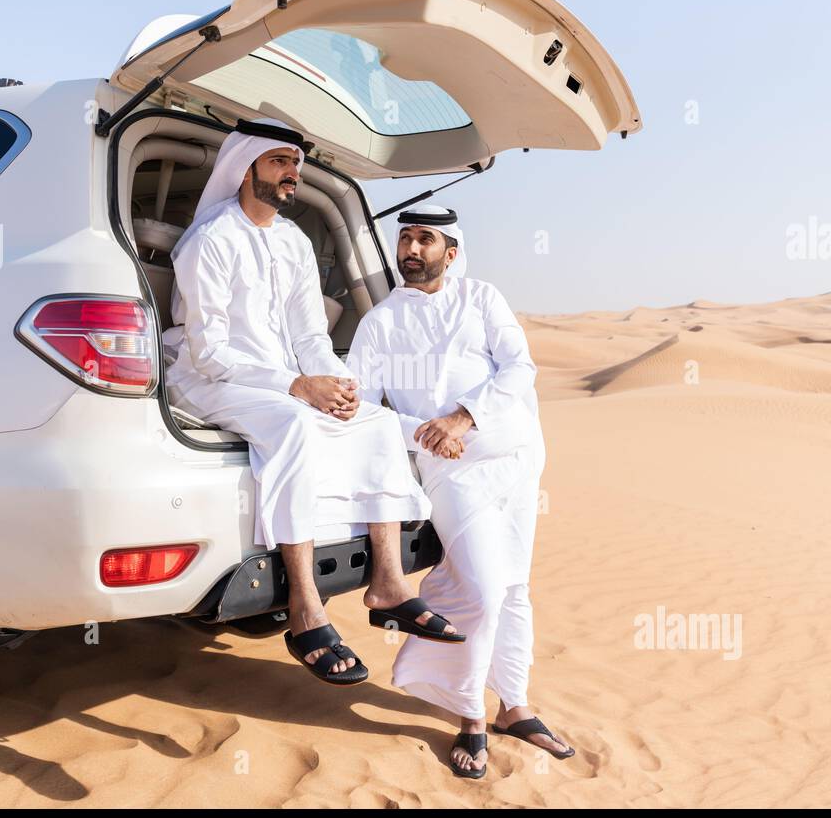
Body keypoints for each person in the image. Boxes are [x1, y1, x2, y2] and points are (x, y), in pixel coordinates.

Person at [163, 119, 464, 686]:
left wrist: (338, 386)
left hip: (280, 378)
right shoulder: (209, 242)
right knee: (295, 427)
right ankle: (304, 608)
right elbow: (209, 352)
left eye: (295, 164)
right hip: (208, 380)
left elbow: (310, 340)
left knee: (372, 425)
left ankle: (389, 584)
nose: (291, 173)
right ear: (245, 167)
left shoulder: (295, 241)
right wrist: (300, 388)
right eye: (279, 161)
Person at [347, 206, 573, 777]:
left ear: (450, 252)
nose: (412, 249)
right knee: (480, 588)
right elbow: (363, 412)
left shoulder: (482, 299)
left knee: (516, 588)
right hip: (450, 471)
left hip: (517, 460)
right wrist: (427, 433)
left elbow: (519, 368)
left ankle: (513, 705)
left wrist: (464, 417)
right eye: (405, 239)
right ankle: (470, 716)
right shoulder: (379, 323)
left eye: (425, 239)